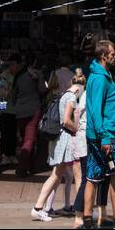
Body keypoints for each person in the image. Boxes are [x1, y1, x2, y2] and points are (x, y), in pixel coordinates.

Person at [82, 38, 115, 229]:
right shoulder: (100, 78)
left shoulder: (102, 75)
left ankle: (88, 220)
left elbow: (106, 113)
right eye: (112, 53)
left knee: (94, 176)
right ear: (103, 55)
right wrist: (106, 138)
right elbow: (96, 111)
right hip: (103, 137)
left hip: (103, 135)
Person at [31, 69, 84, 221]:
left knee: (56, 176)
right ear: (79, 87)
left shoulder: (63, 95)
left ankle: (38, 208)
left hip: (60, 141)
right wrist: (78, 129)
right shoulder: (71, 98)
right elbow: (67, 121)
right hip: (67, 141)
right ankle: (82, 210)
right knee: (76, 176)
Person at [63, 69, 88, 229]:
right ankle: (81, 213)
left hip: (74, 140)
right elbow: (68, 120)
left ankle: (80, 211)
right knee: (81, 178)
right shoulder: (80, 96)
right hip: (80, 139)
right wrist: (77, 129)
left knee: (76, 177)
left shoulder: (70, 96)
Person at [12, 58, 44, 177]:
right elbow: (42, 90)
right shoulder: (38, 74)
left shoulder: (19, 75)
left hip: (21, 110)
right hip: (33, 108)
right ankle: (21, 168)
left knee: (26, 139)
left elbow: (13, 94)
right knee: (29, 140)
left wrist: (18, 105)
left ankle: (30, 166)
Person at [0, 55, 19, 165]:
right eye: (11, 65)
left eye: (15, 65)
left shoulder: (18, 76)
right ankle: (4, 155)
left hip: (15, 109)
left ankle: (12, 154)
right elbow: (1, 94)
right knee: (4, 133)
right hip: (4, 109)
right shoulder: (3, 76)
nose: (13, 67)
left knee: (13, 133)